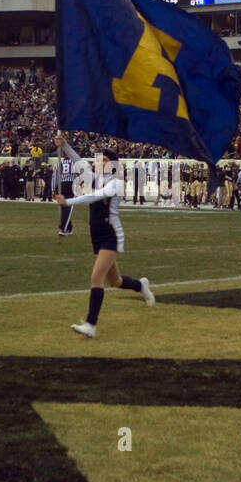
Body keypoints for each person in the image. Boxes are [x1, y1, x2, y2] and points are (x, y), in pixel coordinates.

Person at [53, 135, 153, 338]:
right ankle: (141, 285)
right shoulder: (94, 178)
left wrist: (68, 202)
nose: (100, 163)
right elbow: (78, 162)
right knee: (115, 281)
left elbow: (94, 196)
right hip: (96, 233)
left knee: (96, 277)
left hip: (110, 234)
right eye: (99, 160)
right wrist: (64, 145)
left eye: (105, 160)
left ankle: (91, 324)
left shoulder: (115, 183)